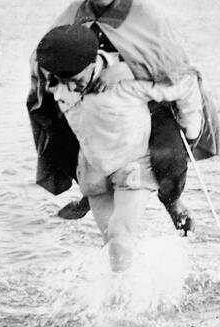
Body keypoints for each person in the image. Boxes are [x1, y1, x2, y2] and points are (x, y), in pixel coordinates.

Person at [27, 0, 219, 235]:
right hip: (95, 107)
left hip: (151, 102)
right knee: (60, 133)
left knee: (167, 155)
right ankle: (90, 192)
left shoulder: (146, 13)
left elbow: (174, 65)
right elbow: (44, 53)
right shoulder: (74, 13)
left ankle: (172, 202)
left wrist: (129, 69)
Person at [35, 24, 201, 270]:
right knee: (112, 244)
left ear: (93, 64)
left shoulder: (128, 78)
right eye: (58, 80)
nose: (65, 89)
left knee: (119, 235)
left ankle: (123, 301)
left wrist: (191, 127)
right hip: (94, 167)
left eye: (74, 80)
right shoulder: (57, 83)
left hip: (134, 166)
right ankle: (126, 287)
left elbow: (185, 82)